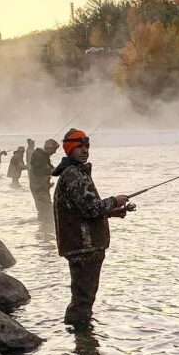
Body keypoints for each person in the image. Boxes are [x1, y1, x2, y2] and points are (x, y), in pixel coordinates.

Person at [52, 128, 130, 326]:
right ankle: (82, 343)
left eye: (87, 146)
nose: (85, 150)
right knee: (83, 300)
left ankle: (82, 343)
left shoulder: (74, 173)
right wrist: (114, 201)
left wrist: (111, 212)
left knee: (83, 297)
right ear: (69, 149)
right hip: (84, 247)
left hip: (83, 246)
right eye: (79, 147)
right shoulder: (74, 175)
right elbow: (92, 208)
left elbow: (82, 211)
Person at [29, 137, 59, 217]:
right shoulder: (39, 156)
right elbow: (41, 171)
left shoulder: (42, 156)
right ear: (49, 148)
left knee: (46, 208)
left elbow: (49, 168)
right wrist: (55, 171)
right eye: (54, 149)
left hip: (41, 187)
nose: (55, 152)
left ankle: (44, 227)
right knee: (45, 209)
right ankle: (45, 225)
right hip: (39, 188)